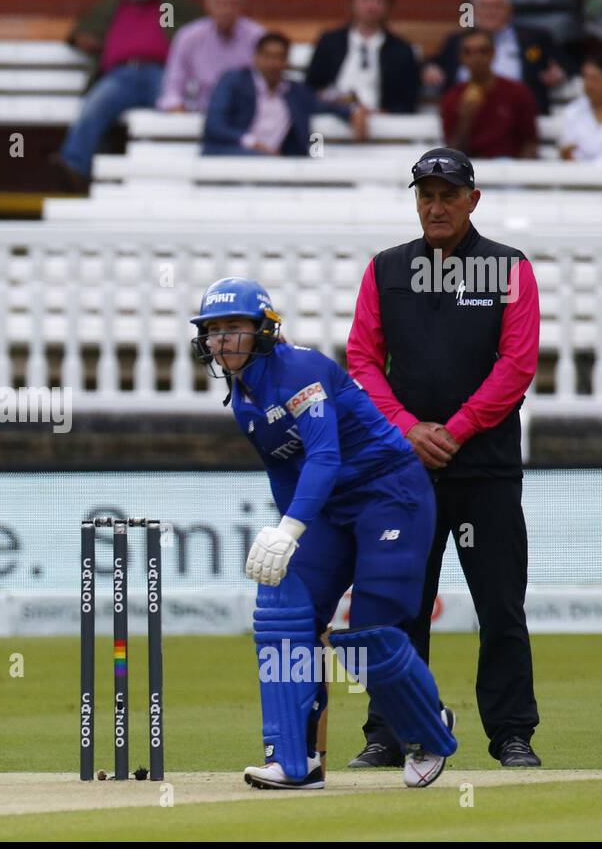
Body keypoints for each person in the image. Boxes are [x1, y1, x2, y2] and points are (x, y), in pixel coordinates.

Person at [189, 278, 458, 790]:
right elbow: (285, 472)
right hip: (332, 509)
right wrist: (291, 529)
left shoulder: (301, 371)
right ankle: (295, 759)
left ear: (265, 331)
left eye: (234, 329)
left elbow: (325, 455)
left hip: (389, 493)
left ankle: (427, 733)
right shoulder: (244, 398)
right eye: (214, 331)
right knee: (282, 614)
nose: (223, 341)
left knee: (367, 635)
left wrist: (289, 529)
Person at [346, 147, 543, 769]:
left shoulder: (510, 269)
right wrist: (406, 429)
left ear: (472, 200)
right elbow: (361, 360)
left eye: (447, 195)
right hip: (405, 474)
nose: (435, 205)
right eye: (425, 195)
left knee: (501, 609)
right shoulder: (385, 269)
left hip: (483, 470)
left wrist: (453, 431)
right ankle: (388, 731)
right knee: (396, 607)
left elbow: (517, 366)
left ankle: (512, 733)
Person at [53, 0, 203, 188]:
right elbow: (81, 33)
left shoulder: (168, 6)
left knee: (175, 113)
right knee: (94, 106)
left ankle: (178, 174)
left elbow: (199, 31)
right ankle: (74, 166)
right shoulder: (112, 6)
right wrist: (85, 40)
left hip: (161, 74)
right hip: (120, 75)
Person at [203, 32, 369, 156]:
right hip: (231, 157)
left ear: (287, 61)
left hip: (276, 167)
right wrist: (252, 144)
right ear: (256, 58)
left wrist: (353, 111)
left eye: (279, 57)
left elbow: (323, 105)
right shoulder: (234, 81)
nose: (273, 63)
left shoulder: (295, 92)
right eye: (267, 56)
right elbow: (214, 125)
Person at [424, 0, 566, 115]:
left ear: (509, 9)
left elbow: (566, 62)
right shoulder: (457, 42)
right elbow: (433, 63)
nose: (491, 12)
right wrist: (430, 69)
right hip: (466, 119)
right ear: (474, 9)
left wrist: (559, 72)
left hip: (518, 120)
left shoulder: (534, 42)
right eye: (485, 6)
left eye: (497, 6)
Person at [305, 0, 420, 114]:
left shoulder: (402, 50)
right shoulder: (330, 42)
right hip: (333, 117)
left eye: (379, 1)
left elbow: (407, 101)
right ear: (352, 2)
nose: (371, 6)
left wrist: (383, 114)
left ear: (389, 6)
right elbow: (311, 86)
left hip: (382, 122)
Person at [155, 0, 264, 114]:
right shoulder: (188, 36)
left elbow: (265, 87)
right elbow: (173, 84)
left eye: (232, 3)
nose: (226, 10)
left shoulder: (257, 37)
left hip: (245, 115)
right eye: (219, 3)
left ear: (242, 5)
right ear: (207, 4)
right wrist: (176, 106)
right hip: (199, 113)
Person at [439, 28, 538, 159]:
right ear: (461, 57)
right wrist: (465, 120)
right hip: (470, 170)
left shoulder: (517, 92)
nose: (476, 58)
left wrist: (517, 172)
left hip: (510, 167)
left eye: (483, 51)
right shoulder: (453, 97)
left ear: (493, 54)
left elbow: (530, 142)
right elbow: (453, 154)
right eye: (468, 52)